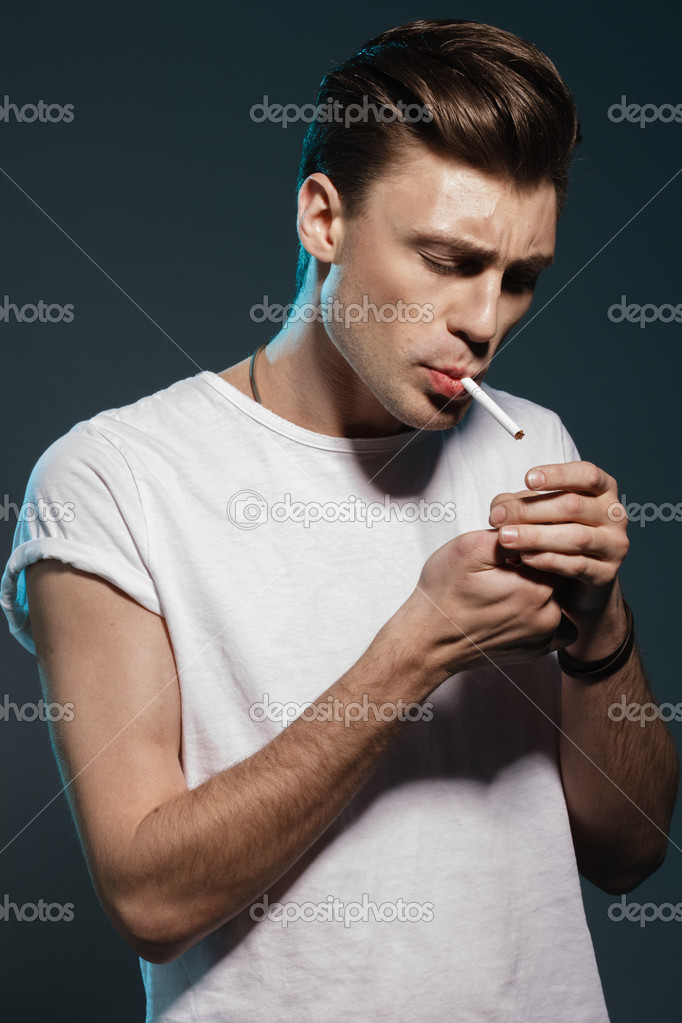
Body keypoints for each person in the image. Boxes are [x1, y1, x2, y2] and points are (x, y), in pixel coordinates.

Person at [2, 18, 678, 1023]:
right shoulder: (113, 478)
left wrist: (601, 625)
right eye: (448, 259)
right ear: (324, 219)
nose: (485, 321)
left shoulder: (535, 444)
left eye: (520, 276)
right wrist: (415, 649)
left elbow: (629, 853)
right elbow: (151, 896)